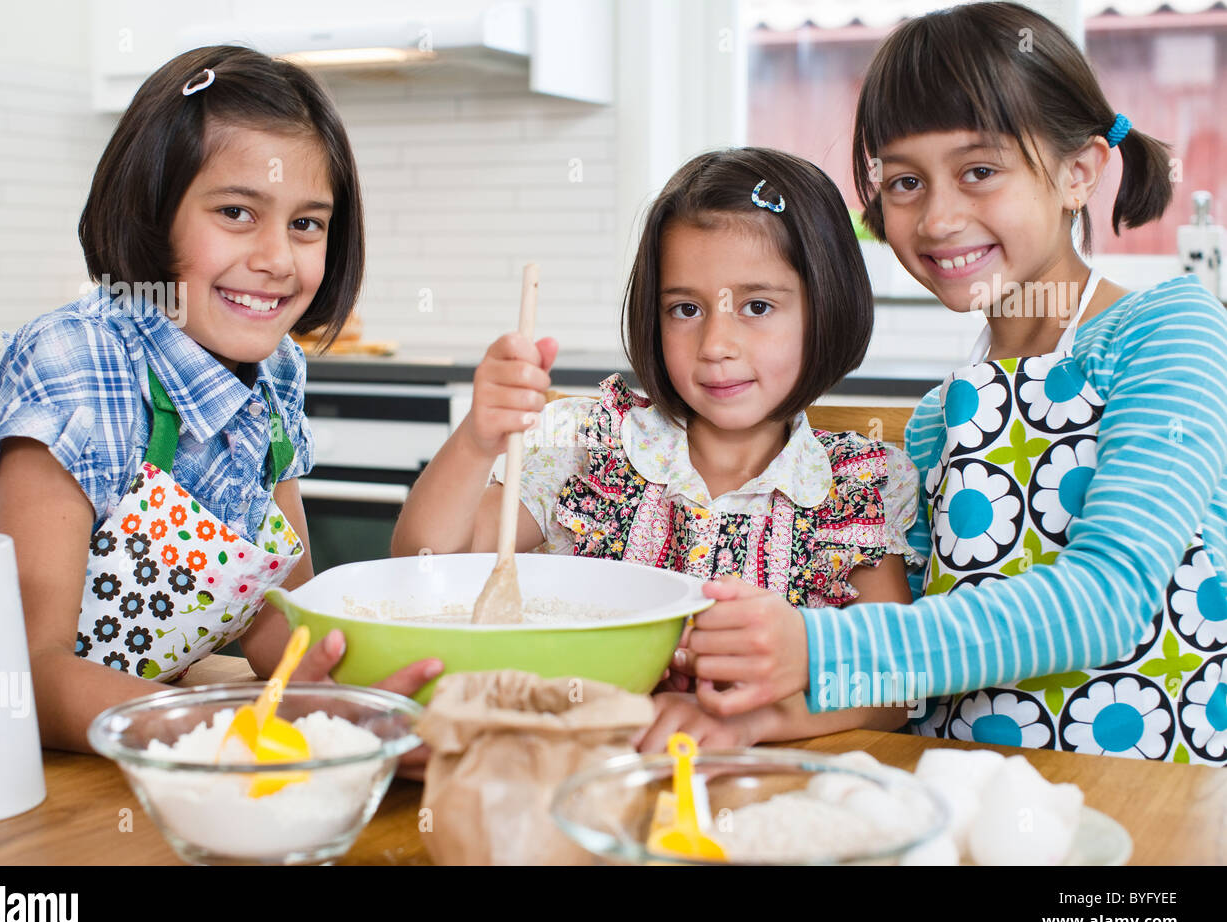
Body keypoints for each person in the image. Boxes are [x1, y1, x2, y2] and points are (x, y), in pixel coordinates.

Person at [680, 2, 1227, 765]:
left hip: (1149, 804)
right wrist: (760, 721)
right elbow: (913, 673)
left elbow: (1109, 598)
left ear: (1080, 171)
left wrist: (813, 643)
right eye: (904, 182)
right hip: (963, 801)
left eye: (979, 171)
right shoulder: (939, 418)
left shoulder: (1168, 332)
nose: (937, 218)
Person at [0, 46, 440, 752]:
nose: (277, 257)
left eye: (307, 224)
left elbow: (278, 616)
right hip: (20, 765)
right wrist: (236, 730)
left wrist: (354, 708)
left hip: (169, 751)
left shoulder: (277, 372)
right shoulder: (74, 364)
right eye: (238, 212)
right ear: (153, 213)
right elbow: (30, 669)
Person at [392, 146, 923, 751]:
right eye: (685, 309)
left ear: (826, 307)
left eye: (757, 306)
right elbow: (427, 556)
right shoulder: (590, 445)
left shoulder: (857, 484)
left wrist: (748, 724)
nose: (715, 343)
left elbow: (892, 688)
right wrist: (478, 439)